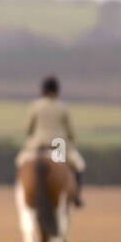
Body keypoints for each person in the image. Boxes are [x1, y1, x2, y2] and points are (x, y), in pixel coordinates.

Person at [16, 76, 85, 206]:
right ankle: (76, 196)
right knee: (79, 164)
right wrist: (71, 140)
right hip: (58, 145)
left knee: (20, 162)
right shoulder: (63, 107)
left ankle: (22, 194)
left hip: (37, 145)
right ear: (57, 90)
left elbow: (28, 130)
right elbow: (70, 132)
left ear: (42, 90)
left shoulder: (35, 106)